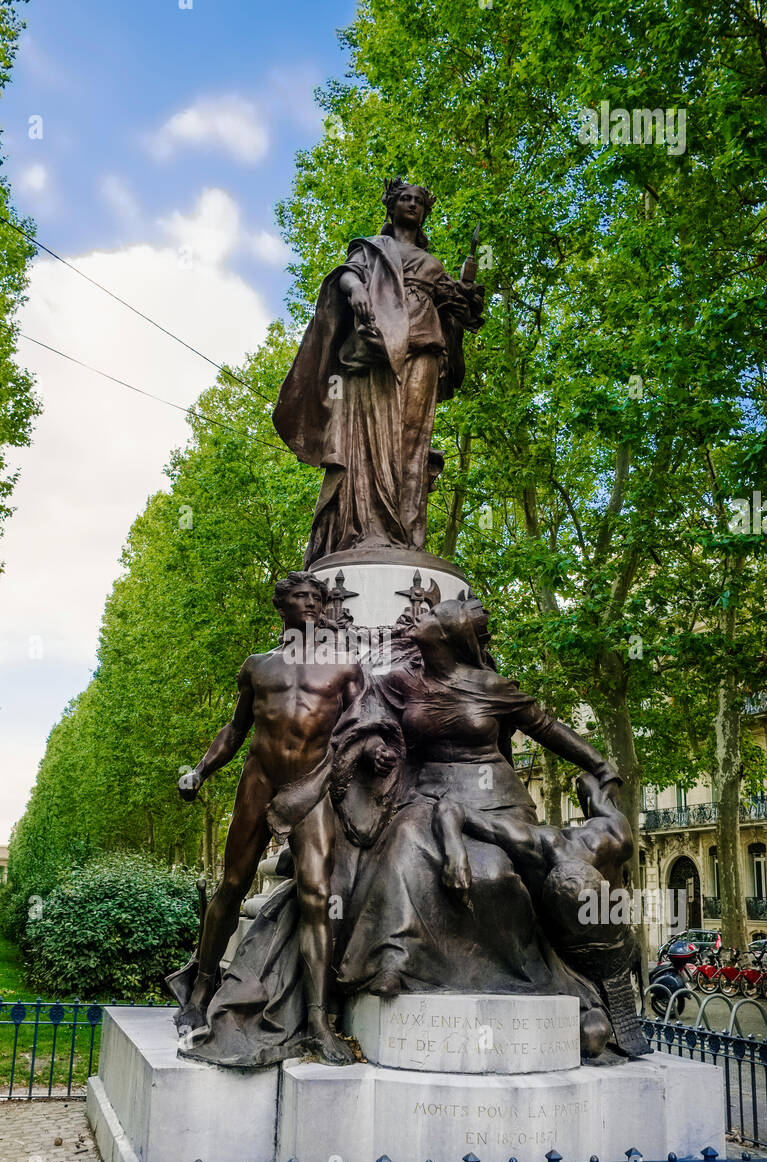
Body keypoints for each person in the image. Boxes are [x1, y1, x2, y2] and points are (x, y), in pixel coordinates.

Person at [331, 598, 619, 1057]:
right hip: (424, 797)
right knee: (405, 844)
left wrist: (601, 765)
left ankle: (527, 973)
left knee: (491, 874)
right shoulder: (403, 681)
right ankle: (393, 958)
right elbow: (363, 719)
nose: (413, 617)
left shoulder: (490, 686)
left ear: (448, 635)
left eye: (427, 616)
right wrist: (370, 750)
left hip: (496, 801)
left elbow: (547, 729)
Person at [167, 573, 362, 1064]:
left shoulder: (344, 667)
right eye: (301, 597)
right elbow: (235, 729)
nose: (312, 605)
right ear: (281, 606)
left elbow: (361, 729)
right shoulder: (257, 667)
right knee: (232, 884)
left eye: (317, 598)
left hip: (311, 787)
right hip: (258, 781)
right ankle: (201, 987)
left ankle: (317, 1020)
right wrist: (201, 770)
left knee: (317, 892)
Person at [273, 180, 485, 564]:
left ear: (425, 211)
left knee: (412, 438)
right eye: (405, 198)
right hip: (375, 352)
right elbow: (347, 275)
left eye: (419, 201)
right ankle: (367, 528)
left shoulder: (432, 265)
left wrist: (466, 290)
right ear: (391, 205)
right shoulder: (372, 247)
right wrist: (355, 290)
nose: (412, 205)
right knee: (370, 440)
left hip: (423, 349)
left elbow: (463, 313)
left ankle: (405, 533)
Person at [432, 772, 650, 1057]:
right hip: (564, 962)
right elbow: (450, 808)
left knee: (620, 1036)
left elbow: (596, 786)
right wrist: (454, 850)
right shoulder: (538, 844)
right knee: (593, 1038)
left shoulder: (616, 837)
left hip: (617, 956)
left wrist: (596, 777)